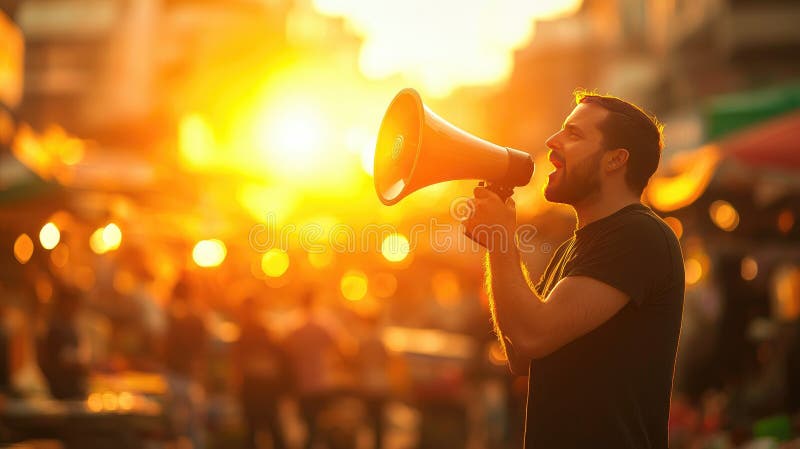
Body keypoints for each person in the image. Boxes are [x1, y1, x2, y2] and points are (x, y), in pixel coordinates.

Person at [462, 91, 685, 449]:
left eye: (574, 134)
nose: (552, 141)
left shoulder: (639, 235)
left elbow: (534, 334)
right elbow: (521, 352)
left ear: (616, 160)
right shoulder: (572, 247)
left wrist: (502, 240)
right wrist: (496, 243)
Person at [234, 296, 290, 449]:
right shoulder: (260, 330)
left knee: (261, 428)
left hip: (259, 387)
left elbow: (239, 362)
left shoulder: (255, 331)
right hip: (260, 387)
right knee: (263, 428)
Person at [163, 276, 208, 449]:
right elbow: (202, 347)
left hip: (176, 374)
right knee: (191, 426)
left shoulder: (172, 314)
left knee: (178, 426)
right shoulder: (197, 315)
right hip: (188, 375)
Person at [39, 284, 89, 400]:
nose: (76, 308)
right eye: (73, 303)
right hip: (62, 391)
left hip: (71, 389)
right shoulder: (56, 328)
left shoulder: (70, 326)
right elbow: (64, 360)